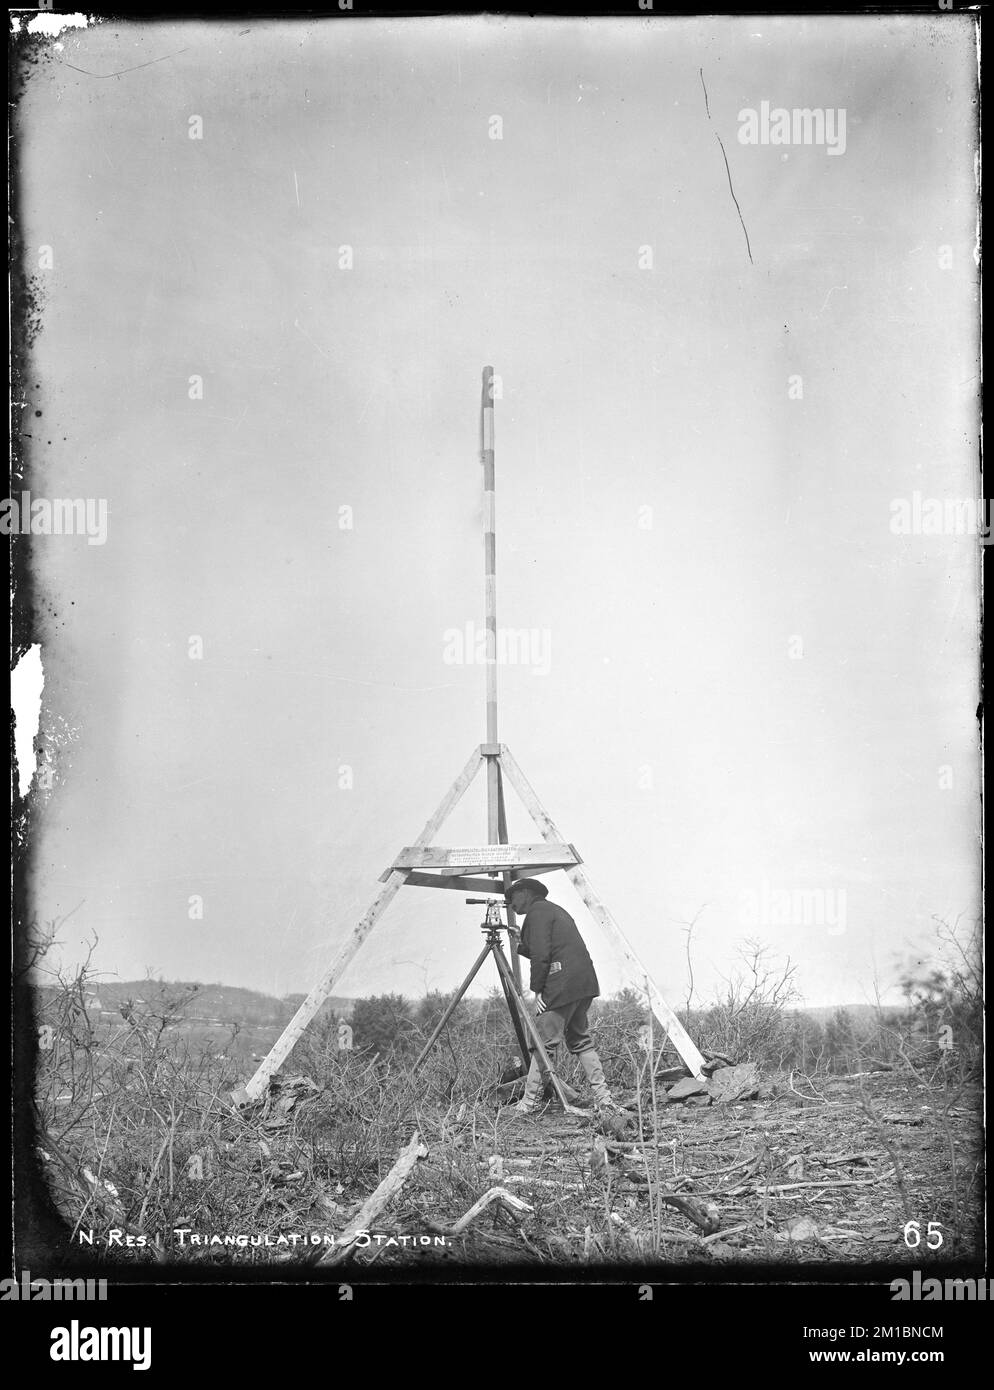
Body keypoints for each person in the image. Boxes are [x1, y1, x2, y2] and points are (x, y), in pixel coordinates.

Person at [504, 878, 619, 1115]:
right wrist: (520, 941)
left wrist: (537, 991)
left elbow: (542, 955)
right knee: (580, 1040)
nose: (509, 904)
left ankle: (530, 1102)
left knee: (543, 1043)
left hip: (560, 984)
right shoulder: (554, 910)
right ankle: (604, 1100)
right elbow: (551, 947)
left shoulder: (536, 913)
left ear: (525, 893)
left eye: (512, 898)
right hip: (582, 983)